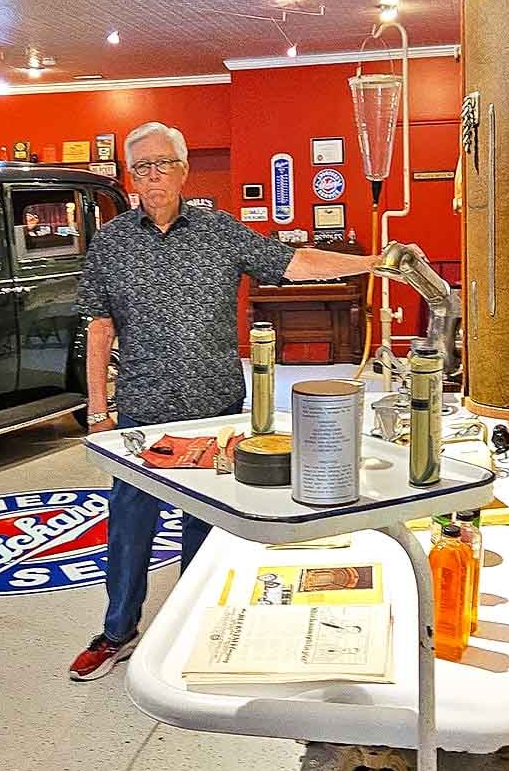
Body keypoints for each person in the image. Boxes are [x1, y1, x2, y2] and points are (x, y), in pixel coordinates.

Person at [69, 121, 384, 681]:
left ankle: (199, 624)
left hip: (216, 409)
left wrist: (373, 263)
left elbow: (293, 263)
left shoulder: (219, 231)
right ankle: (118, 629)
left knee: (207, 524)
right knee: (129, 523)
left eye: (164, 163)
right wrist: (98, 409)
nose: (154, 175)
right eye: (142, 166)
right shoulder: (110, 244)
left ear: (184, 170)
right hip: (142, 412)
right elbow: (99, 327)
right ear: (129, 176)